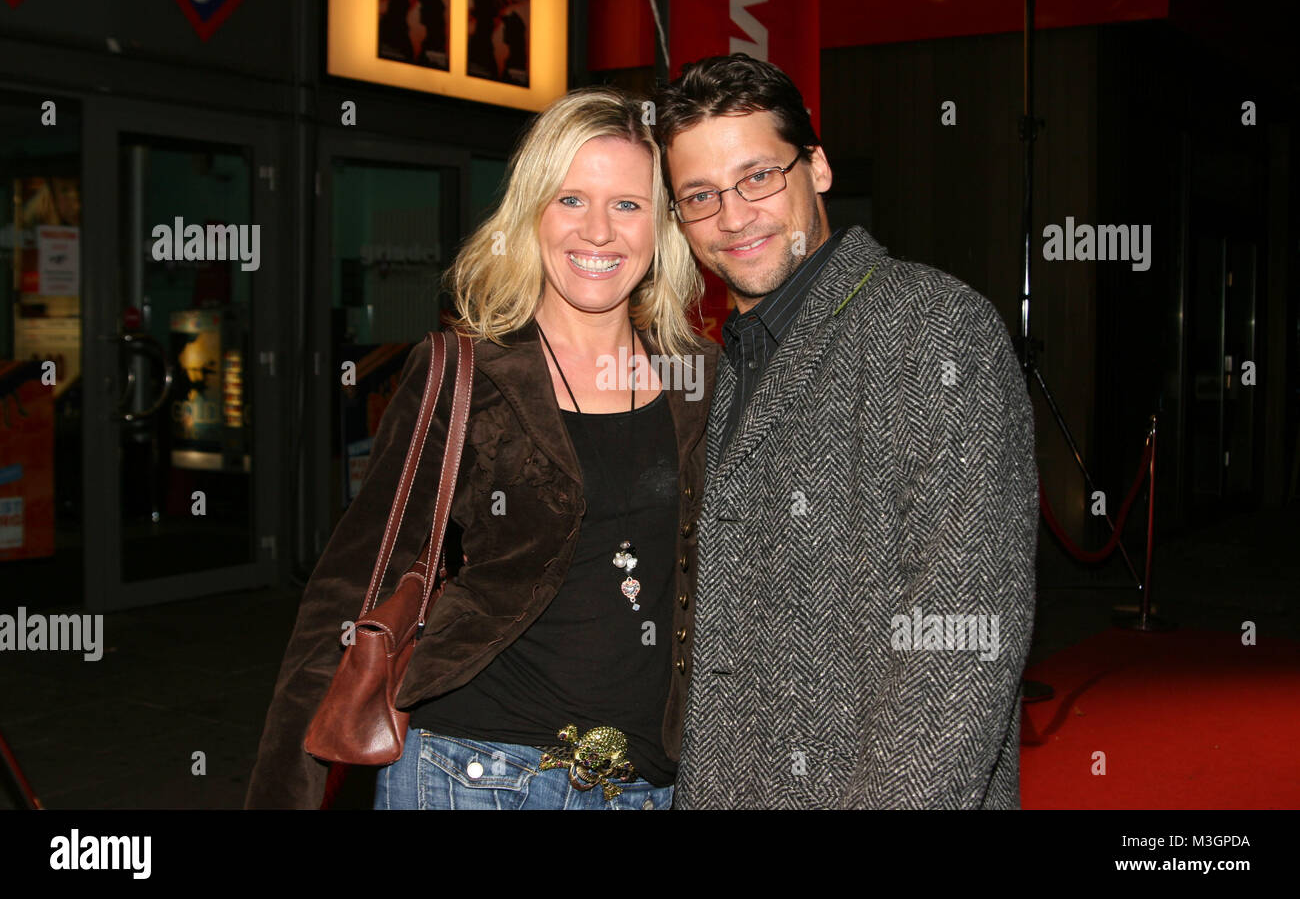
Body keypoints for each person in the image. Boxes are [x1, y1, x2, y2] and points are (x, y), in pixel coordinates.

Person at [245, 86, 718, 809]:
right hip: (476, 772)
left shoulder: (702, 379)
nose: (598, 232)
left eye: (627, 204)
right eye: (570, 200)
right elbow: (354, 584)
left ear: (663, 227)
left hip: (653, 784)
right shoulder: (464, 372)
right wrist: (285, 793)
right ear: (530, 215)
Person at [653, 53, 1038, 808]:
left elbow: (962, 635)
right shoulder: (722, 361)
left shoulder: (933, 327)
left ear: (818, 168)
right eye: (700, 196)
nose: (733, 217)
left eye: (758, 177)